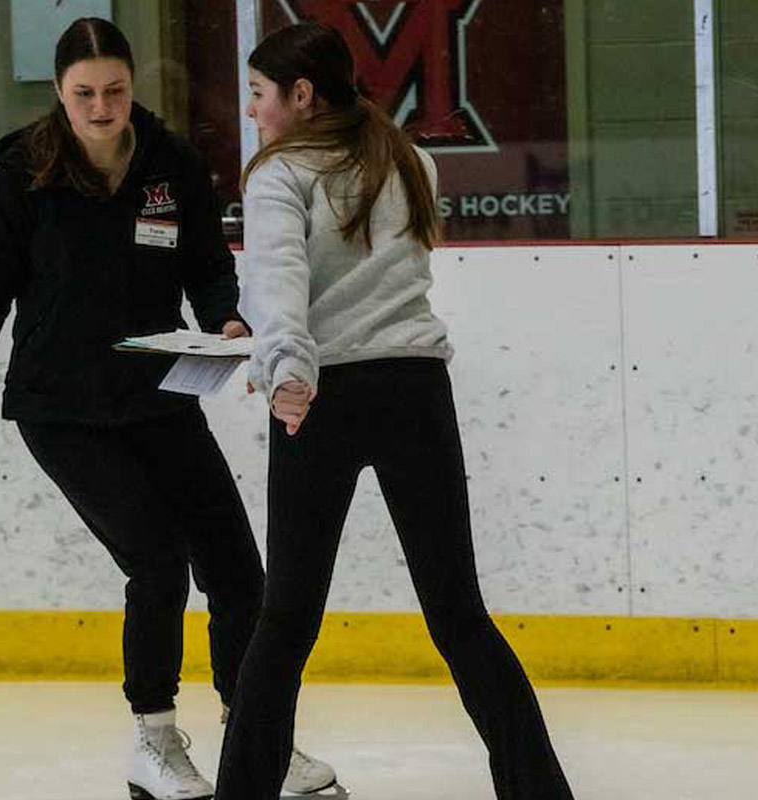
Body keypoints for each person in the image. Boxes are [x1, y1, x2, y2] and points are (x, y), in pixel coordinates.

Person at [0, 17, 334, 800]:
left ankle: (260, 742)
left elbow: (210, 267)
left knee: (237, 570)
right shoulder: (24, 172)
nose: (101, 106)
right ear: (59, 93)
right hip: (61, 410)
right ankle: (154, 741)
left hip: (159, 395)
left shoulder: (172, 164)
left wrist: (228, 321)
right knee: (155, 562)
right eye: (84, 93)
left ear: (132, 88)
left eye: (115, 90)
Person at [214, 22, 577, 800]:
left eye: (258, 95)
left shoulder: (280, 175)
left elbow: (279, 279)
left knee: (284, 624)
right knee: (458, 615)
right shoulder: (406, 158)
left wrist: (285, 371)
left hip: (326, 396)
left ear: (301, 95)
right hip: (414, 391)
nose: (253, 113)